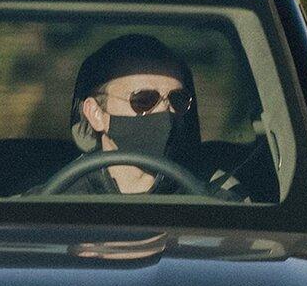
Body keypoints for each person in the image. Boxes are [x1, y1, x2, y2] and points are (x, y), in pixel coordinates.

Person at [64, 33, 212, 195]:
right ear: (95, 113)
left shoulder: (214, 203)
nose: (164, 111)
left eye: (178, 99)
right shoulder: (55, 204)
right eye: (144, 100)